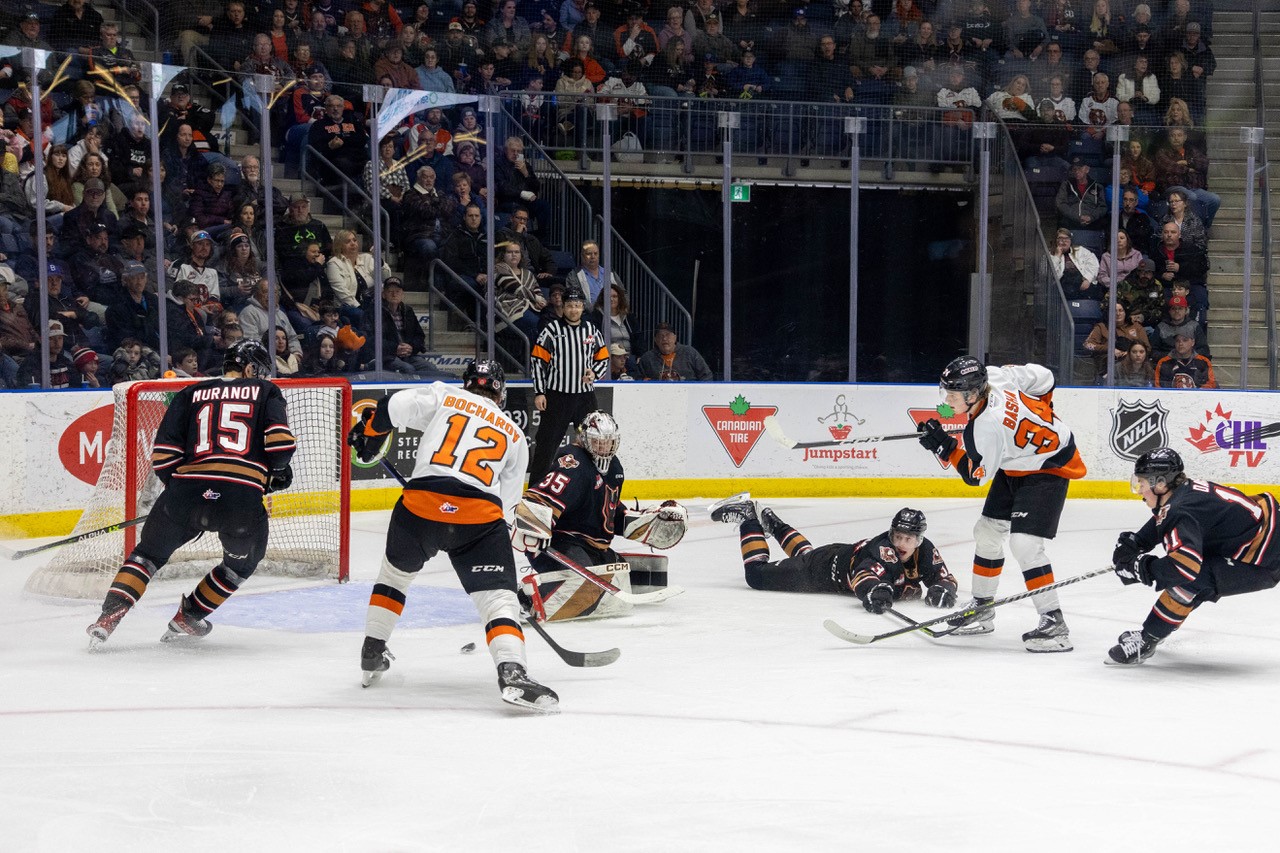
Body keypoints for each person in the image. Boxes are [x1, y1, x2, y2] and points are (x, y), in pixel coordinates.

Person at [348, 360, 557, 712]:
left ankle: (372, 649)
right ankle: (512, 671)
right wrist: (507, 571)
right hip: (477, 518)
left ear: (467, 384)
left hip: (420, 506)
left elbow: (390, 407)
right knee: (496, 600)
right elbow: (506, 508)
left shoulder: (445, 396)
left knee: (394, 578)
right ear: (501, 393)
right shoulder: (514, 433)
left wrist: (371, 432)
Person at [85, 340, 294, 647]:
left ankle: (107, 618)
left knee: (146, 556)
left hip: (184, 493)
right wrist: (274, 473)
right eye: (259, 371)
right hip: (239, 502)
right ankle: (190, 615)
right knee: (242, 564)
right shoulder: (266, 392)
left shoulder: (189, 392)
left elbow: (164, 456)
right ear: (249, 368)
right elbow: (279, 445)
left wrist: (184, 491)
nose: (260, 377)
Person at [916, 357, 1086, 651]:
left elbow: (975, 476)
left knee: (1025, 544)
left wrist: (945, 446)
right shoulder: (996, 376)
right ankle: (982, 607)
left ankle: (1055, 624)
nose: (947, 400)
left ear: (972, 394)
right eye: (946, 393)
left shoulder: (986, 428)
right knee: (987, 532)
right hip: (1017, 464)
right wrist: (1042, 409)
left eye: (953, 396)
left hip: (1050, 467)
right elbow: (1044, 377)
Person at [1107, 448, 1280, 665]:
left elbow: (1183, 568)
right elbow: (1168, 516)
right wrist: (1137, 542)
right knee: (1195, 572)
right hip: (1265, 533)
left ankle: (1147, 640)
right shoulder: (1183, 493)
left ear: (1160, 484)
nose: (1139, 490)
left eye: (1141, 483)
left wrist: (1141, 568)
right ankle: (1153, 633)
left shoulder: (1180, 510)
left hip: (1265, 560)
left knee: (1191, 580)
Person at [514, 410, 687, 588]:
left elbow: (608, 512)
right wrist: (533, 525)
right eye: (598, 442)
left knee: (641, 575)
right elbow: (541, 499)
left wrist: (642, 522)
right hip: (562, 544)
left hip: (593, 548)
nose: (604, 447)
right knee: (587, 584)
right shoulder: (574, 463)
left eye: (609, 442)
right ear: (585, 439)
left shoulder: (615, 469)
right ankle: (528, 596)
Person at [707, 500, 957, 612]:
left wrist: (943, 588)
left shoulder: (925, 550)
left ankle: (774, 523)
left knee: (808, 554)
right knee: (756, 576)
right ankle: (749, 518)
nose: (902, 543)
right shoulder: (882, 550)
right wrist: (874, 590)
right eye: (898, 536)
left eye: (908, 538)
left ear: (919, 540)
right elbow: (864, 575)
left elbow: (943, 576)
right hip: (819, 572)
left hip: (834, 555)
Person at [528, 284, 609, 481]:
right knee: (547, 444)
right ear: (563, 307)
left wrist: (594, 373)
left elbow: (603, 357)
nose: (574, 309)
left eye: (578, 305)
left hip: (585, 398)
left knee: (593, 442)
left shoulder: (591, 330)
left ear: (583, 307)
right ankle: (536, 490)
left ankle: (593, 486)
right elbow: (538, 362)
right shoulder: (552, 330)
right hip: (557, 397)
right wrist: (540, 392)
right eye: (570, 305)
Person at [1083, 299, 1150, 381]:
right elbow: (1087, 345)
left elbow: (1147, 347)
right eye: (1114, 311)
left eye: (1121, 310)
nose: (1118, 314)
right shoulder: (1101, 327)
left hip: (1135, 365)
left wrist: (1131, 353)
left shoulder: (1136, 327)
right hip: (1108, 364)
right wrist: (1110, 350)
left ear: (1125, 312)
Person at [638, 323, 713, 381]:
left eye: (668, 335)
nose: (664, 338)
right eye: (660, 336)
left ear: (675, 337)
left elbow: (706, 376)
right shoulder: (647, 358)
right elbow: (638, 379)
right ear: (655, 340)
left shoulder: (690, 352)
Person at [1055, 156, 1107, 233]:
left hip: (1092, 221)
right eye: (1074, 169)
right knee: (1063, 223)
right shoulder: (1066, 184)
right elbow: (1061, 204)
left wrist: (1091, 217)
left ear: (1087, 169)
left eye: (1079, 168)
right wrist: (1077, 217)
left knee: (1103, 223)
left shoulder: (1097, 187)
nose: (1076, 171)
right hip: (1072, 220)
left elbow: (1102, 207)